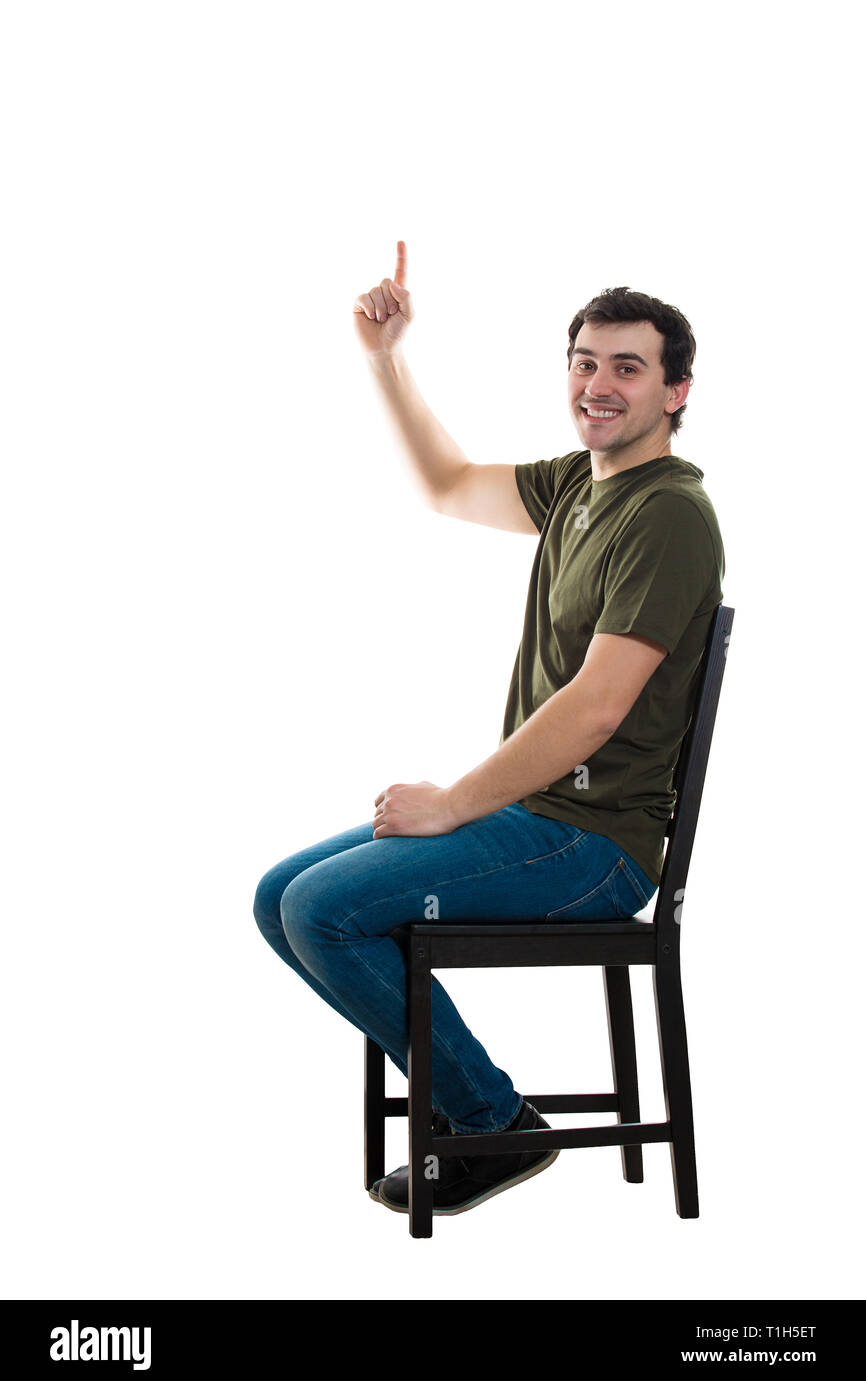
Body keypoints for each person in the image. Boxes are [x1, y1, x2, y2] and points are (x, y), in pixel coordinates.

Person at [253, 240, 725, 1218]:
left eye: (625, 367)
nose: (596, 384)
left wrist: (450, 804)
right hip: (538, 814)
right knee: (277, 897)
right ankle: (479, 1112)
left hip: (594, 843)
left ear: (675, 391)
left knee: (320, 913)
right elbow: (445, 482)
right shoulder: (576, 489)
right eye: (583, 361)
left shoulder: (669, 516)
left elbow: (595, 707)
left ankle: (489, 1121)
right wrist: (384, 356)